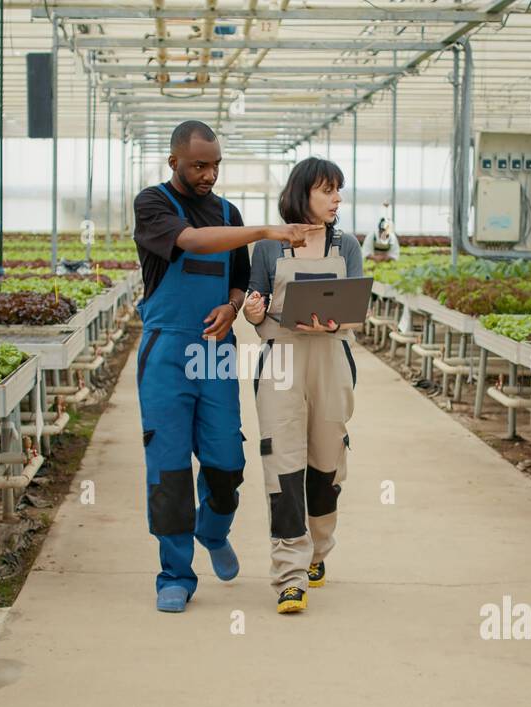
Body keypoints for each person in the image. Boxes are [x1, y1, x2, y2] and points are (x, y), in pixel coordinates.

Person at [132, 120, 317, 613]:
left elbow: (237, 279)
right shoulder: (152, 205)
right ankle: (174, 573)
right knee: (168, 468)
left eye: (215, 165)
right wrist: (263, 230)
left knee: (226, 463)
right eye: (199, 165)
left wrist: (233, 307)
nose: (209, 174)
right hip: (167, 352)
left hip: (213, 353)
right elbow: (190, 242)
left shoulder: (228, 213)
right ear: (174, 162)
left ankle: (212, 530)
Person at [241, 157, 364, 614]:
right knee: (283, 464)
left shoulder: (347, 245)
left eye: (339, 190)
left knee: (327, 464)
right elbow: (256, 303)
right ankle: (289, 576)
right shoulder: (271, 247)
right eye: (327, 190)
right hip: (282, 359)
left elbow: (356, 305)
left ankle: (318, 552)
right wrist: (254, 312)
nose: (336, 199)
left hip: (331, 358)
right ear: (302, 193)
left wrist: (335, 320)